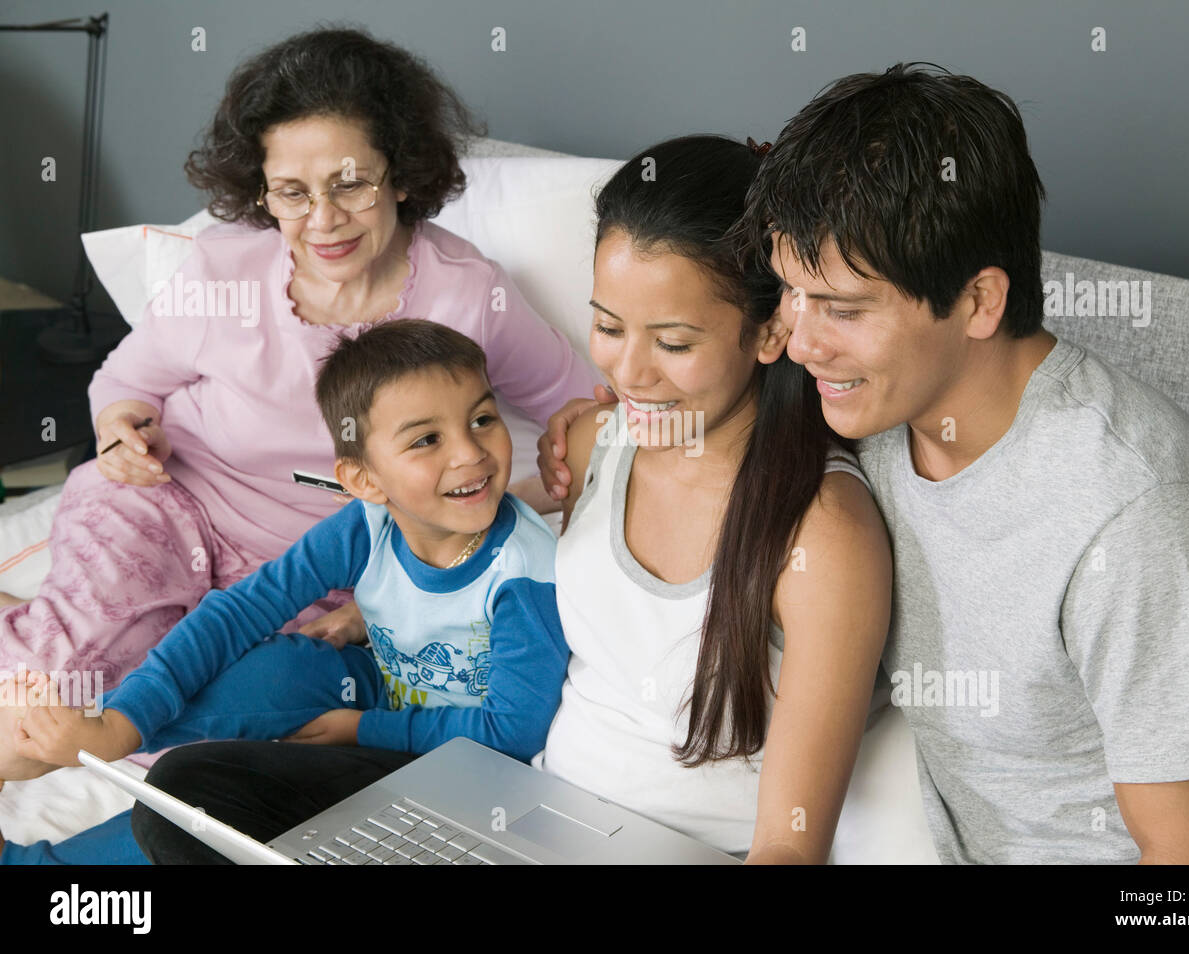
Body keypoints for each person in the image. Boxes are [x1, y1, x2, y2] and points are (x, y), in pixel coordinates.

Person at [540, 64, 1189, 864]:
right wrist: (594, 422)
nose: (798, 345)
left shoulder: (1143, 525)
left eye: (842, 309)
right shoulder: (874, 415)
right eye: (794, 296)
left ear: (979, 302)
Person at [129, 134, 893, 865]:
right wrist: (384, 591)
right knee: (187, 793)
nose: (631, 372)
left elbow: (790, 847)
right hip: (515, 808)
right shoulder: (600, 439)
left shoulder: (823, 532)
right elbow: (491, 533)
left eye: (674, 342)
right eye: (607, 326)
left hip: (672, 852)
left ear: (769, 332)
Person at [0, 27, 594, 712]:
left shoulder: (467, 293)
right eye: (292, 193)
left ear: (399, 173)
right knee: (48, 686)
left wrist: (450, 544)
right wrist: (122, 433)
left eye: (351, 185)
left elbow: (581, 416)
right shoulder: (223, 268)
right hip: (167, 505)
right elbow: (124, 384)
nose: (324, 220)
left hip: (313, 570)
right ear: (263, 193)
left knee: (208, 707)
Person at [0, 320, 568, 864]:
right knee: (274, 666)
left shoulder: (522, 573)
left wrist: (360, 729)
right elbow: (242, 610)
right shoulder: (368, 523)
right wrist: (124, 720)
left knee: (209, 805)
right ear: (365, 482)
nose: (470, 453)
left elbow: (511, 733)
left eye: (483, 419)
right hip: (381, 690)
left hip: (451, 760)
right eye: (427, 439)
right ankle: (109, 730)